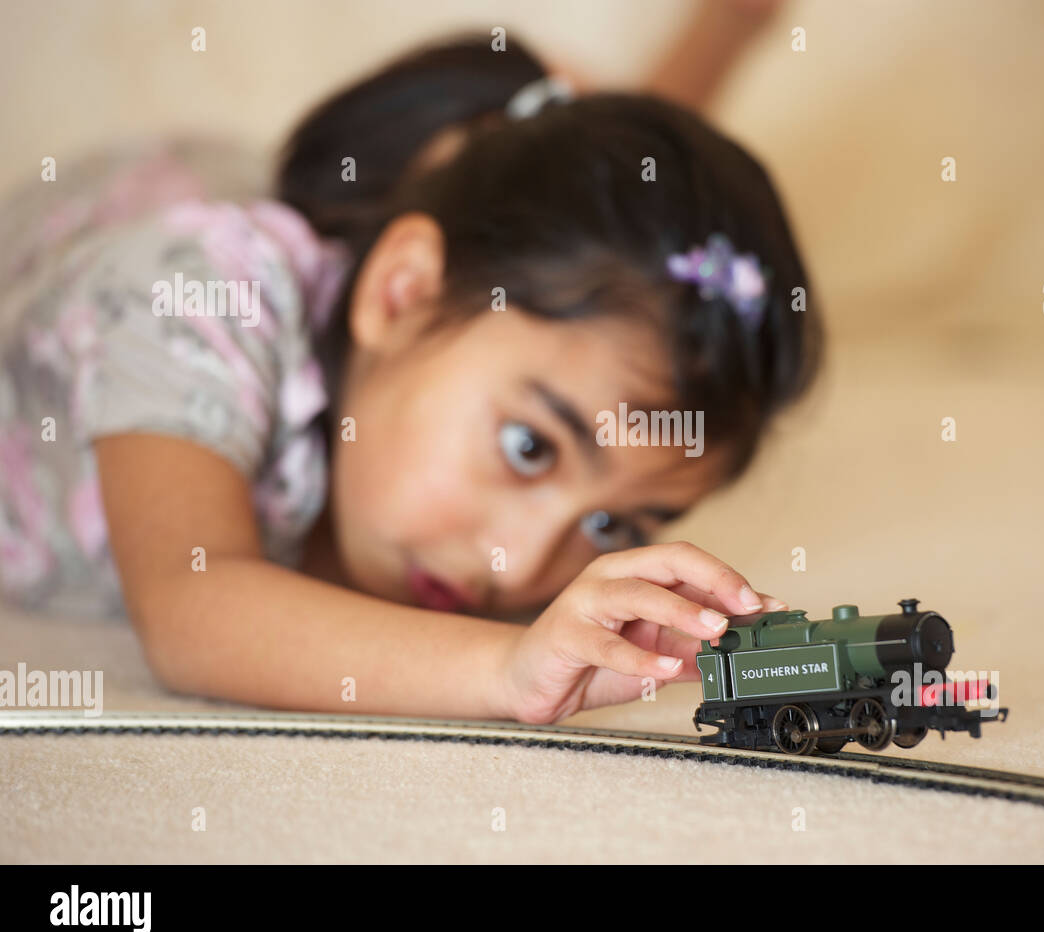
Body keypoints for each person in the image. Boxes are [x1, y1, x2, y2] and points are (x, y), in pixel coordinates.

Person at [0, 9, 823, 725]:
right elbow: (191, 608)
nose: (526, 565)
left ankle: (717, 28)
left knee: (622, 271)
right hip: (107, 220)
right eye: (530, 447)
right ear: (399, 295)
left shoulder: (495, 382)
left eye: (615, 525)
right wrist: (506, 669)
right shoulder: (193, 299)